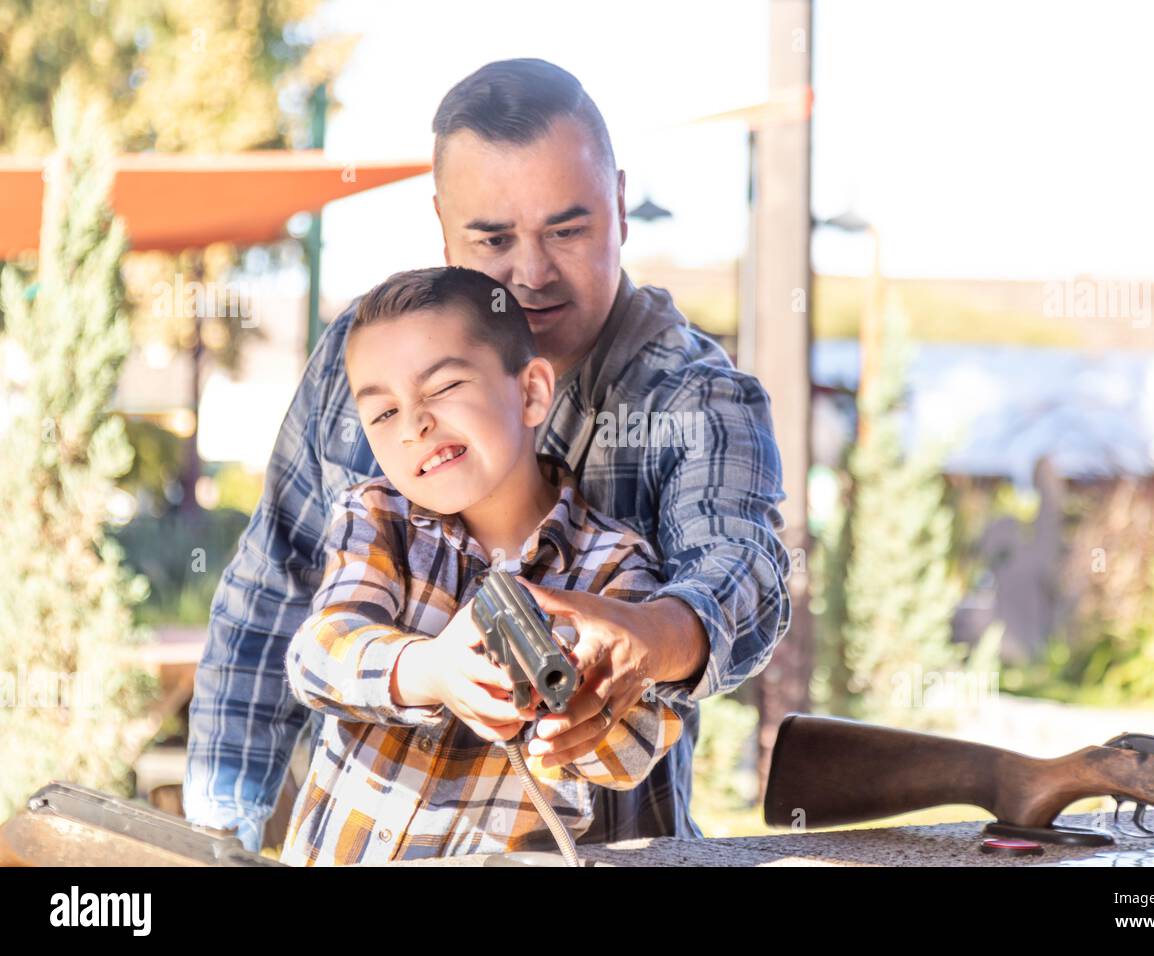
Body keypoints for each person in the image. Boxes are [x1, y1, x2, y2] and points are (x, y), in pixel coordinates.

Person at [185, 58, 791, 852]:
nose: (532, 274)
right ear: (442, 226)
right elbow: (276, 593)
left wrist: (648, 639)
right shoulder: (365, 359)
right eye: (493, 238)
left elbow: (744, 569)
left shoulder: (696, 397)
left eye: (568, 230)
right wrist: (217, 838)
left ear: (620, 205)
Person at [279, 267, 686, 864]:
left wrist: (576, 712)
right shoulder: (377, 516)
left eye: (442, 388)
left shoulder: (614, 566)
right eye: (383, 413)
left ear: (531, 392)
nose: (415, 424)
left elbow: (636, 749)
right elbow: (318, 654)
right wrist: (430, 670)